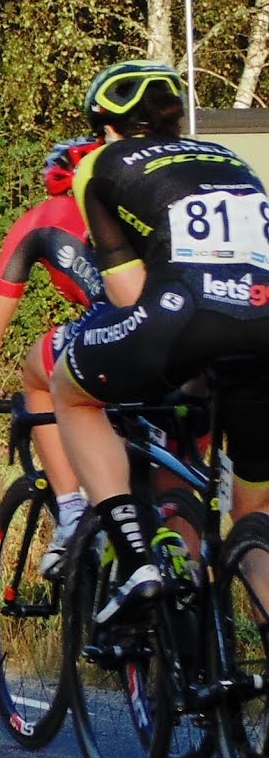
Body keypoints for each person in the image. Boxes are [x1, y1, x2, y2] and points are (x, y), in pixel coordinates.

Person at [51, 61, 269, 621]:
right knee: (252, 521)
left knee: (70, 392)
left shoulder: (101, 164)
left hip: (185, 318)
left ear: (106, 127)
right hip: (263, 325)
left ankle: (136, 560)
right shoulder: (229, 159)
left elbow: (127, 295)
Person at [0, 138, 104, 571]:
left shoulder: (41, 220)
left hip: (121, 331)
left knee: (39, 370)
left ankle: (70, 509)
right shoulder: (141, 205)